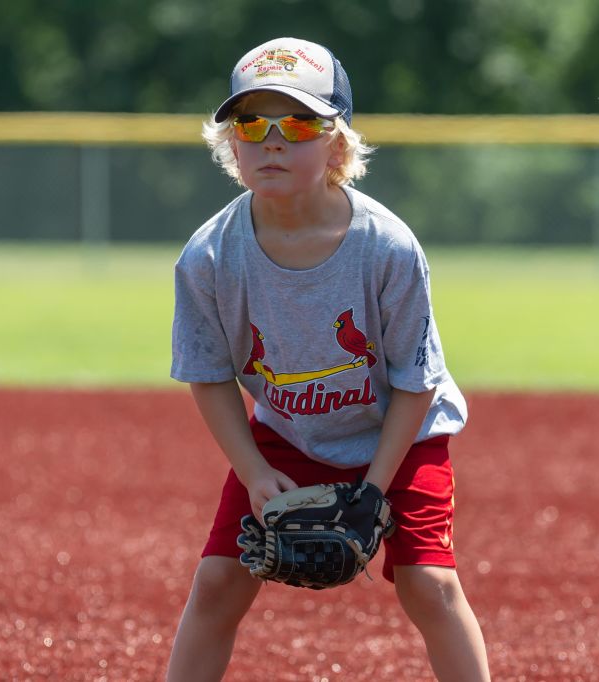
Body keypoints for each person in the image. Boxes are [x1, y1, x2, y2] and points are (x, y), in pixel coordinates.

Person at [165, 37, 491, 682]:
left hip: (399, 435)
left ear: (337, 145)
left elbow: (416, 383)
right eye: (251, 124)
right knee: (217, 582)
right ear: (230, 143)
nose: (271, 142)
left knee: (429, 584)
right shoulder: (209, 256)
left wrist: (374, 491)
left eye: (297, 124)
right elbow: (209, 374)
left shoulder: (387, 248)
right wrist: (255, 473)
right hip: (288, 435)